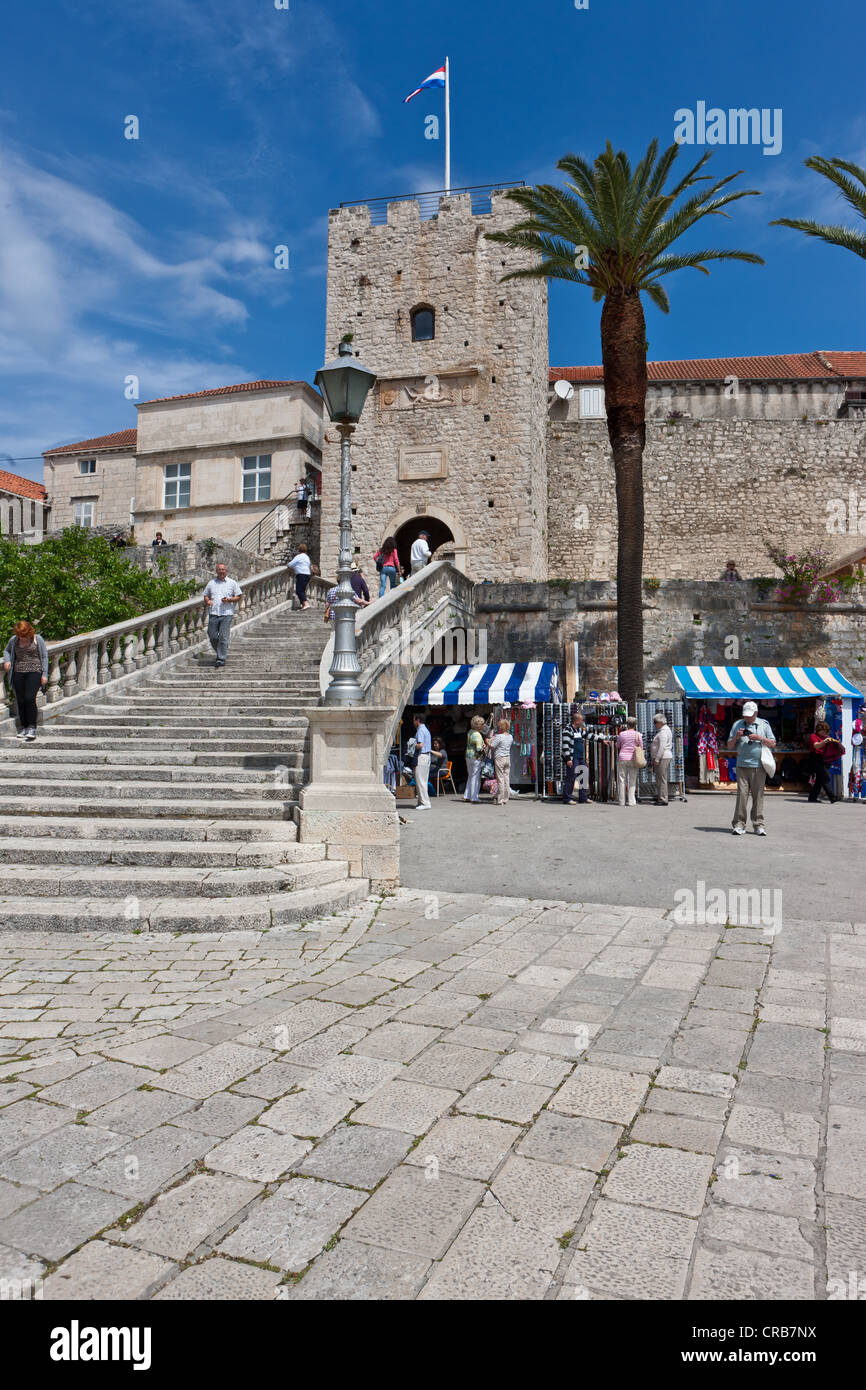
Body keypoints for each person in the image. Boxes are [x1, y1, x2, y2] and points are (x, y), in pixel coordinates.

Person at [728, 699, 776, 835]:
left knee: (758, 796)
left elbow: (773, 743)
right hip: (742, 765)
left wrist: (759, 738)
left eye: (750, 715)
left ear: (756, 713)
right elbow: (729, 746)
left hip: (759, 766)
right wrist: (736, 736)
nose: (747, 718)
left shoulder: (764, 724)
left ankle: (758, 825)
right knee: (742, 796)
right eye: (745, 715)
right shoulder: (737, 724)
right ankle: (738, 824)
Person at [2, 620, 48, 743]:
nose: (21, 638)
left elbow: (44, 657)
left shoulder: (38, 639)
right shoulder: (14, 640)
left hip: (34, 672)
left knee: (29, 698)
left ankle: (32, 727)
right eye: (19, 635)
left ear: (29, 631)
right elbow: (6, 651)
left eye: (23, 635)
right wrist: (7, 661)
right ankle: (23, 727)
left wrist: (44, 674)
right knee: (21, 701)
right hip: (18, 673)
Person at [203, 562, 242, 667]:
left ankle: (221, 658)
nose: (221, 571)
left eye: (223, 569)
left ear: (226, 571)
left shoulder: (232, 583)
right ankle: (221, 651)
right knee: (212, 636)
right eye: (219, 569)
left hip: (226, 613)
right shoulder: (211, 583)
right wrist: (208, 601)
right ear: (216, 571)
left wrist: (229, 600)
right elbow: (205, 595)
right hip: (214, 613)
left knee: (223, 637)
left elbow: (238, 596)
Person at [808, 720, 843, 804]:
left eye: (827, 731)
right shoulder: (813, 736)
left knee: (820, 780)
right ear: (819, 730)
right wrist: (824, 742)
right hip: (816, 759)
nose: (825, 733)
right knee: (825, 778)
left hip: (824, 760)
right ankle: (832, 797)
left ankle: (812, 797)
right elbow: (816, 746)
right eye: (824, 731)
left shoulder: (825, 737)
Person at [561, 710, 589, 805]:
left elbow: (589, 736)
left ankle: (583, 797)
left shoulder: (579, 730)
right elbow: (565, 745)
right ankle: (567, 798)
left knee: (584, 776)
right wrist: (568, 759)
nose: (583, 722)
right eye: (582, 720)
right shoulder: (567, 730)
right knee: (571, 777)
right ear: (577, 721)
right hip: (573, 758)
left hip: (580, 757)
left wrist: (602, 740)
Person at [616, 717, 644, 806]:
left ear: (627, 724)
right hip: (633, 759)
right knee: (632, 780)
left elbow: (618, 745)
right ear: (635, 725)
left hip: (623, 758)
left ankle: (621, 801)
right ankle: (631, 801)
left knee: (621, 780)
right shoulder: (638, 735)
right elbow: (641, 747)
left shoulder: (621, 734)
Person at [487, 719, 514, 806]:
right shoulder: (510, 736)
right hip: (507, 758)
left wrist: (487, 741)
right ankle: (506, 798)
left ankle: (500, 800)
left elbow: (492, 746)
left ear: (501, 727)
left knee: (500, 779)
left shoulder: (499, 736)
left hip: (499, 758)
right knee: (506, 779)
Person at [651, 712, 674, 805]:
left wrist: (657, 759)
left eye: (655, 722)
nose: (655, 724)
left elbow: (662, 747)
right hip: (664, 756)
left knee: (661, 778)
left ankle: (663, 798)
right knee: (661, 778)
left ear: (660, 722)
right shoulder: (664, 731)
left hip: (663, 757)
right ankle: (661, 797)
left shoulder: (663, 732)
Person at [464, 714, 486, 803]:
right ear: (479, 725)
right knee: (475, 777)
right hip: (476, 757)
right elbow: (478, 748)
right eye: (482, 724)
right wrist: (484, 746)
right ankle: (474, 797)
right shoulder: (478, 735)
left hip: (468, 756)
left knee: (470, 776)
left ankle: (467, 795)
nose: (483, 726)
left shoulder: (470, 731)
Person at [413, 713, 432, 810]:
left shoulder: (420, 730)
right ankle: (421, 801)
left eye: (414, 720)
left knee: (420, 781)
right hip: (426, 756)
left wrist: (411, 746)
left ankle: (425, 803)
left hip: (422, 756)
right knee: (422, 780)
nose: (413, 722)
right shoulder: (426, 730)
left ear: (417, 720)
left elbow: (420, 745)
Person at [286, 543, 312, 608]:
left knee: (299, 590)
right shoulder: (307, 557)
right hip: (307, 574)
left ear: (299, 550)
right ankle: (303, 604)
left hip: (301, 574)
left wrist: (294, 567)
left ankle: (305, 603)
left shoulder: (299, 556)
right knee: (302, 590)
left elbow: (290, 564)